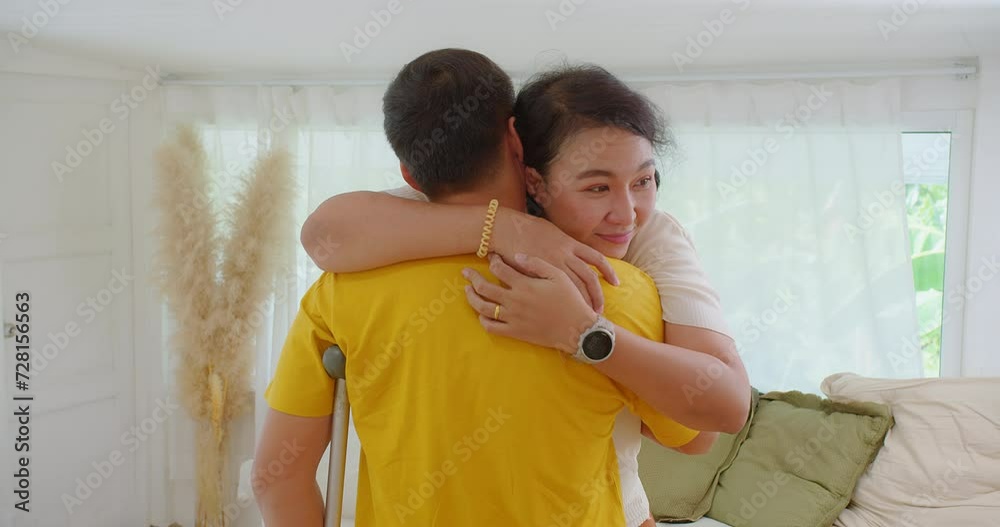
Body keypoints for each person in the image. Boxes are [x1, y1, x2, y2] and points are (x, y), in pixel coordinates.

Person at [253, 48, 706, 527]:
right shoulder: (613, 286)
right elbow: (694, 435)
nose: (625, 209)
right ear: (517, 139)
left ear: (408, 175)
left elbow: (276, 478)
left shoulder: (342, 287)